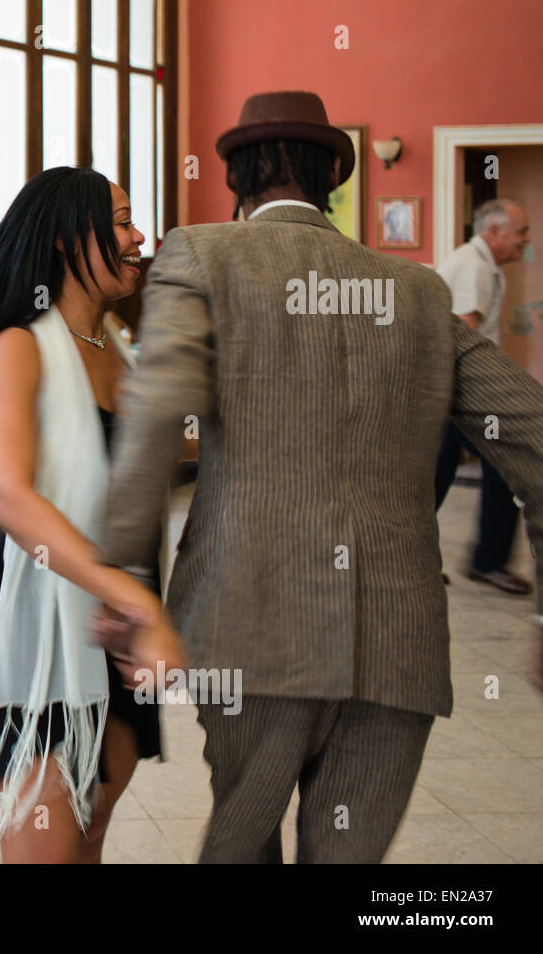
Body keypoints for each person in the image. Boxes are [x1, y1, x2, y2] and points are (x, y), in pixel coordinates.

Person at [98, 90, 543, 863]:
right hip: (397, 644)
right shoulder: (417, 291)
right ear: (331, 181)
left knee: (240, 842)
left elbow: (154, 423)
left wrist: (122, 586)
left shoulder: (201, 256)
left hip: (250, 624)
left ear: (236, 180)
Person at [0, 166, 182, 863]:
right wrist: (133, 597)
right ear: (72, 239)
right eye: (124, 222)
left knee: (88, 834)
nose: (139, 238)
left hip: (111, 627)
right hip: (42, 627)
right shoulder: (20, 346)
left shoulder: (120, 350)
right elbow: (11, 496)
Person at [434, 198, 534, 594]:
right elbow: (465, 342)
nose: (526, 240)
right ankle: (488, 562)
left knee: (434, 474)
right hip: (452, 389)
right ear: (493, 232)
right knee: (505, 460)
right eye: (521, 232)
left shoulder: (482, 265)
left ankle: (413, 556)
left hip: (444, 388)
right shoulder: (472, 267)